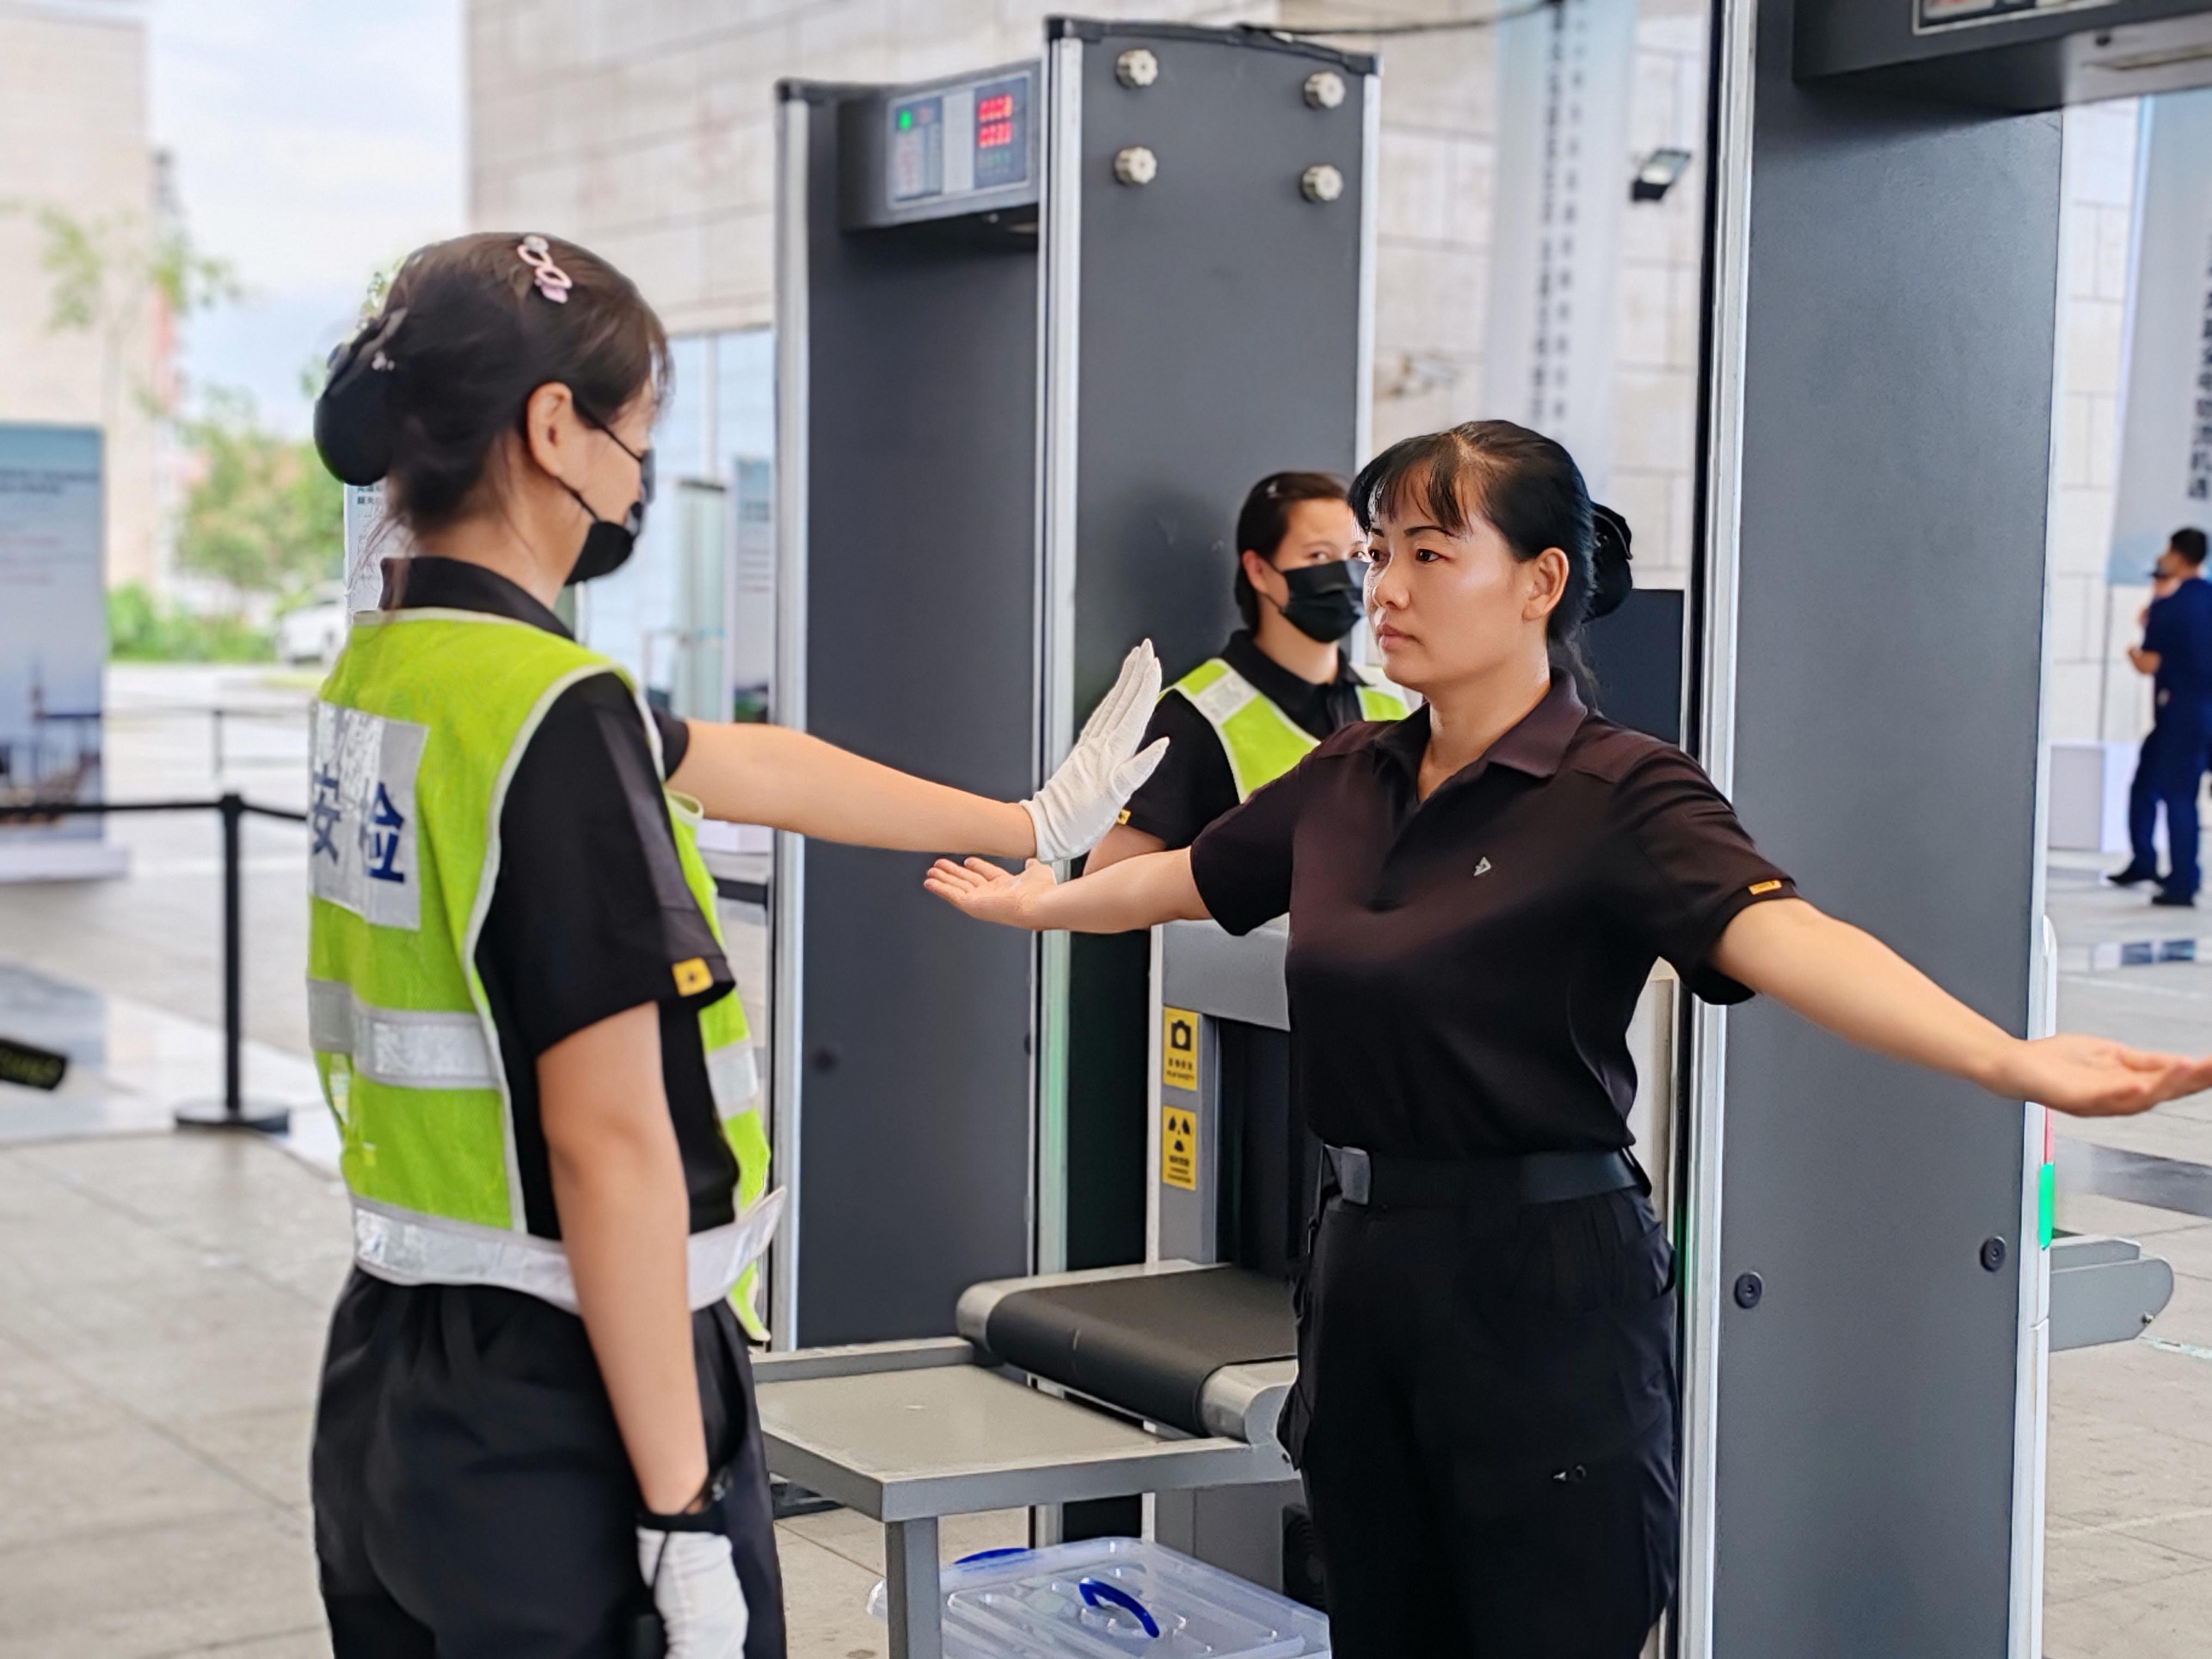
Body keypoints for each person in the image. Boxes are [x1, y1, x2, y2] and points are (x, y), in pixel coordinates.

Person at [923, 419, 2212, 1658]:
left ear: (1540, 582)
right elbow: (1187, 877)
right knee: (1380, 1621)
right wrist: (1044, 901)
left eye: (1431, 554)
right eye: (1379, 553)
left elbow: (1785, 935)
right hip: (1365, 1268)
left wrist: (2005, 1060)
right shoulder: (1350, 774)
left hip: (1542, 1280)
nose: (1385, 589)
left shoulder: (1621, 790)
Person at [303, 232, 1164, 1659]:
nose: (640, 476)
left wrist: (1029, 820)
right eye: (637, 437)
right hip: (566, 1397)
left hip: (397, 1378)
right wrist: (682, 1512)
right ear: (554, 429)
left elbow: (740, 761)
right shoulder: (552, 714)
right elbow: (611, 1151)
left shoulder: (394, 670)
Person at [1084, 472, 1408, 872]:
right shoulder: (1192, 715)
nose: (1343, 575)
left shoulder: (1390, 694)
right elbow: (1103, 879)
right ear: (1258, 571)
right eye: (1319, 557)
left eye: (1359, 556)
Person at [2111, 526, 2212, 905]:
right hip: (2203, 711)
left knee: (2178, 795)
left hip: (2180, 713)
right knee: (2149, 783)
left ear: (2178, 557)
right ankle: (2146, 861)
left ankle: (2183, 881)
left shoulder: (2171, 607)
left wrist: (2133, 652)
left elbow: (2150, 663)